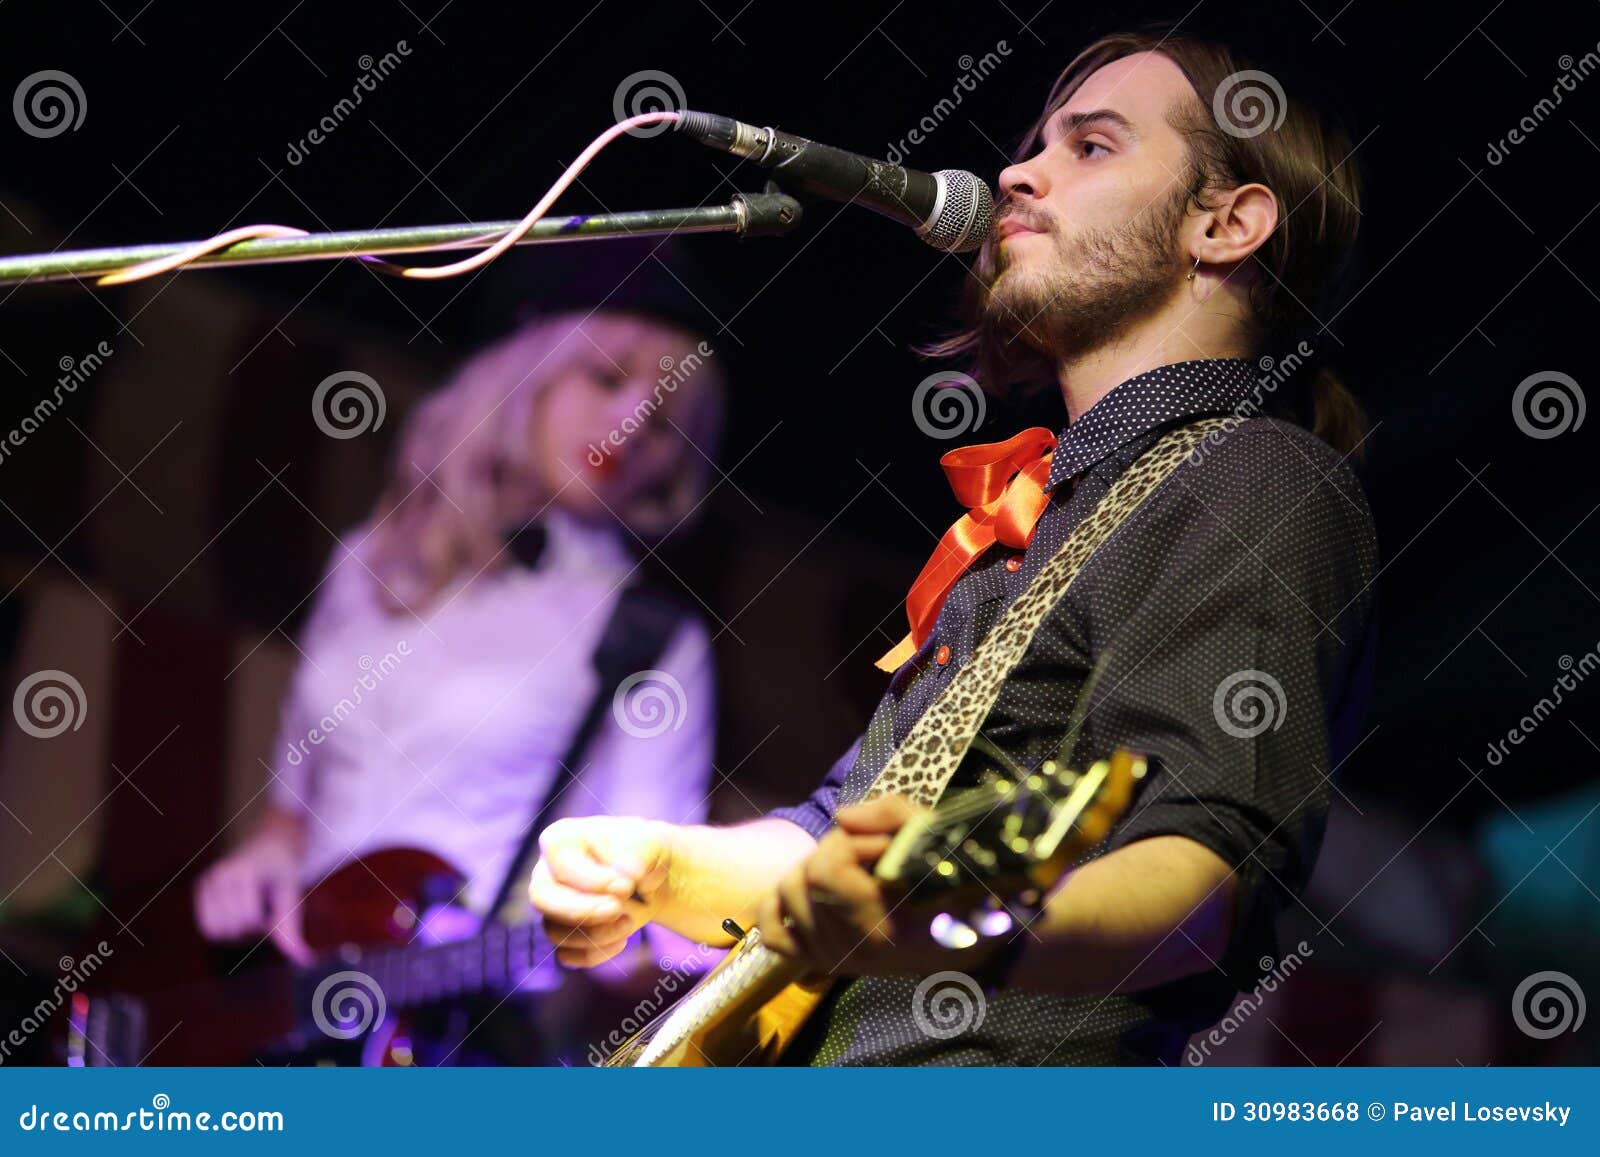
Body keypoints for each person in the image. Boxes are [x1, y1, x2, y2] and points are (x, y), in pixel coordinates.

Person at [530, 28, 1380, 1065]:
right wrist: (660, 864)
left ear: (1226, 222)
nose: (1018, 171)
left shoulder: (1255, 476)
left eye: (1093, 147)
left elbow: (1193, 882)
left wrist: (934, 922)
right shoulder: (1037, 520)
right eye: (1035, 145)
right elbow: (838, 831)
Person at [194, 310, 724, 992]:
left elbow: (658, 916)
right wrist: (266, 855)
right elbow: (290, 814)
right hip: (293, 991)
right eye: (605, 377)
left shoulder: (654, 635)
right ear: (529, 377)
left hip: (459, 1027)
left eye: (661, 422)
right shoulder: (366, 559)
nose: (627, 423)